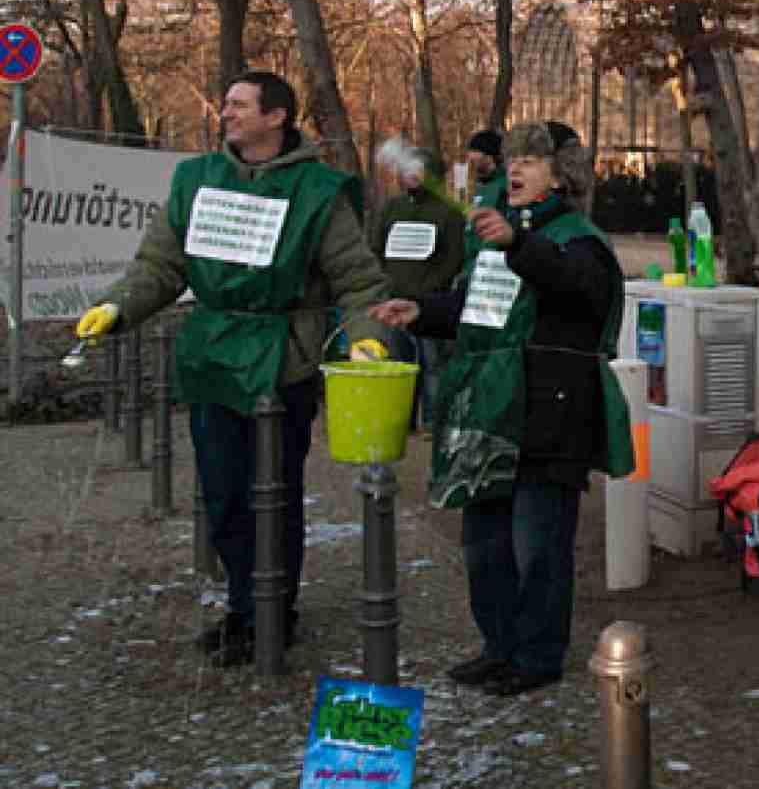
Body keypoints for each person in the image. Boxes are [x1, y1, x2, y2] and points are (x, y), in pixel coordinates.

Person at [73, 70, 391, 667]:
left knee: (273, 493)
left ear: (276, 117)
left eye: (240, 105)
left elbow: (358, 281)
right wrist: (118, 306)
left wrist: (366, 339)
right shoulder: (196, 180)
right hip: (213, 355)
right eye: (226, 104)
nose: (227, 113)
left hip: (283, 359)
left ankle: (272, 613)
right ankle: (245, 605)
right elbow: (160, 265)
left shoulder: (319, 191)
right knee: (222, 492)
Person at [370, 121, 632, 699]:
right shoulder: (501, 237)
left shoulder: (581, 240)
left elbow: (575, 286)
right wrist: (422, 312)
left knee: (538, 545)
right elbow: (477, 307)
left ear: (560, 176)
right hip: (488, 409)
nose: (515, 168)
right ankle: (498, 645)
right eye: (513, 158)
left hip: (550, 412)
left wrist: (517, 244)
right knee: (484, 542)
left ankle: (537, 656)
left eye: (531, 161)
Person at [372, 147, 466, 432]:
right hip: (394, 298)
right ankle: (402, 419)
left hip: (431, 302)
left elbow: (454, 258)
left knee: (433, 364)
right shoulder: (393, 207)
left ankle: (433, 420)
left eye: (418, 169)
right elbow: (377, 247)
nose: (410, 174)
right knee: (397, 364)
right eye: (406, 168)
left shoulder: (449, 212)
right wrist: (385, 282)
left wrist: (429, 290)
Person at [464, 128, 502, 193]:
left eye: (475, 151)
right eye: (470, 151)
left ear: (489, 156)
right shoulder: (478, 184)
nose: (470, 156)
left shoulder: (505, 185)